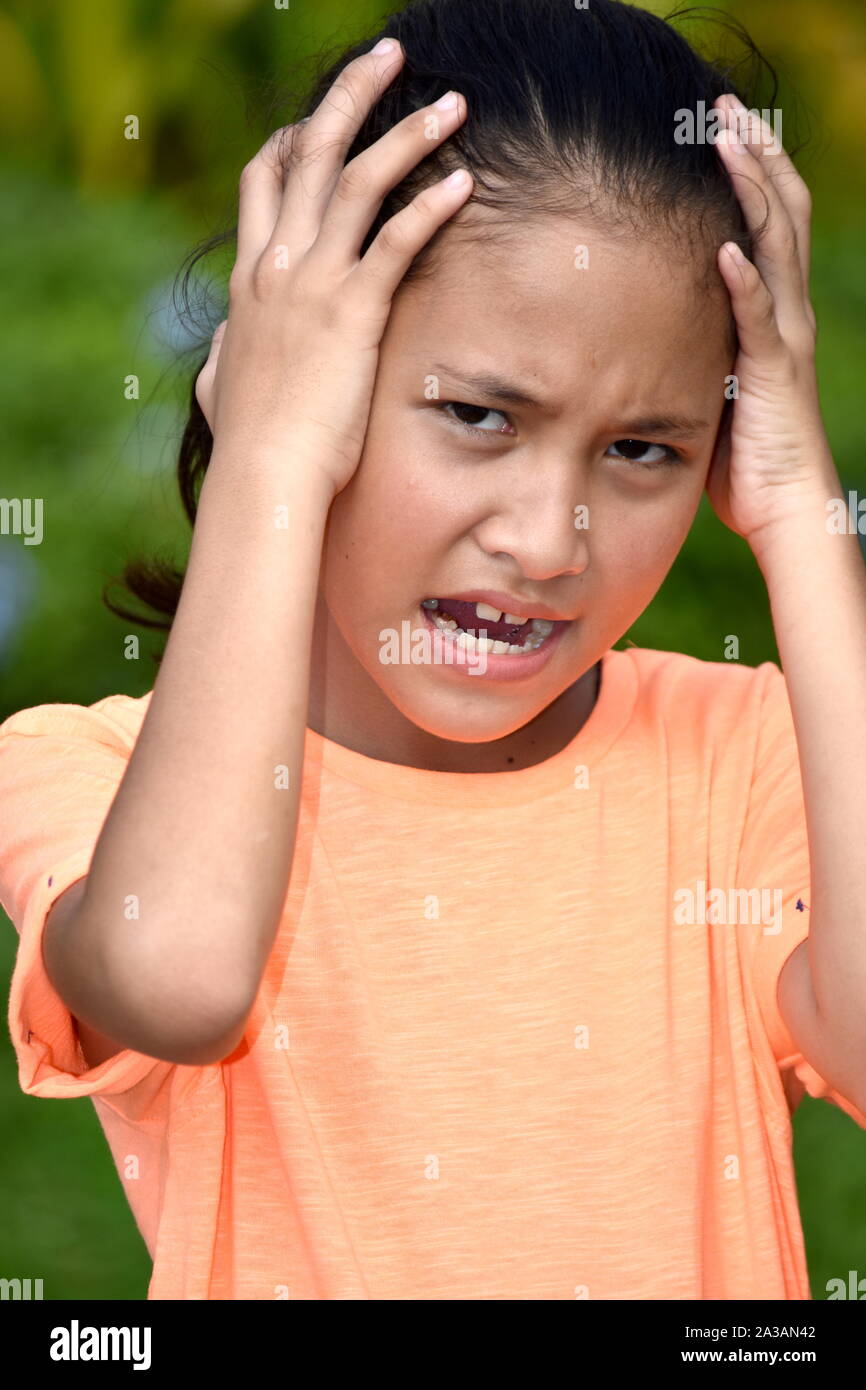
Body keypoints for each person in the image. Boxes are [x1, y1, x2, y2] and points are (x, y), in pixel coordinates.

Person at [2, 0, 865, 1300]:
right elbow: (176, 977)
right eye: (475, 414)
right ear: (302, 383)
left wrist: (802, 510)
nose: (544, 537)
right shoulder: (88, 769)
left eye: (642, 449)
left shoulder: (746, 757)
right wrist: (268, 456)